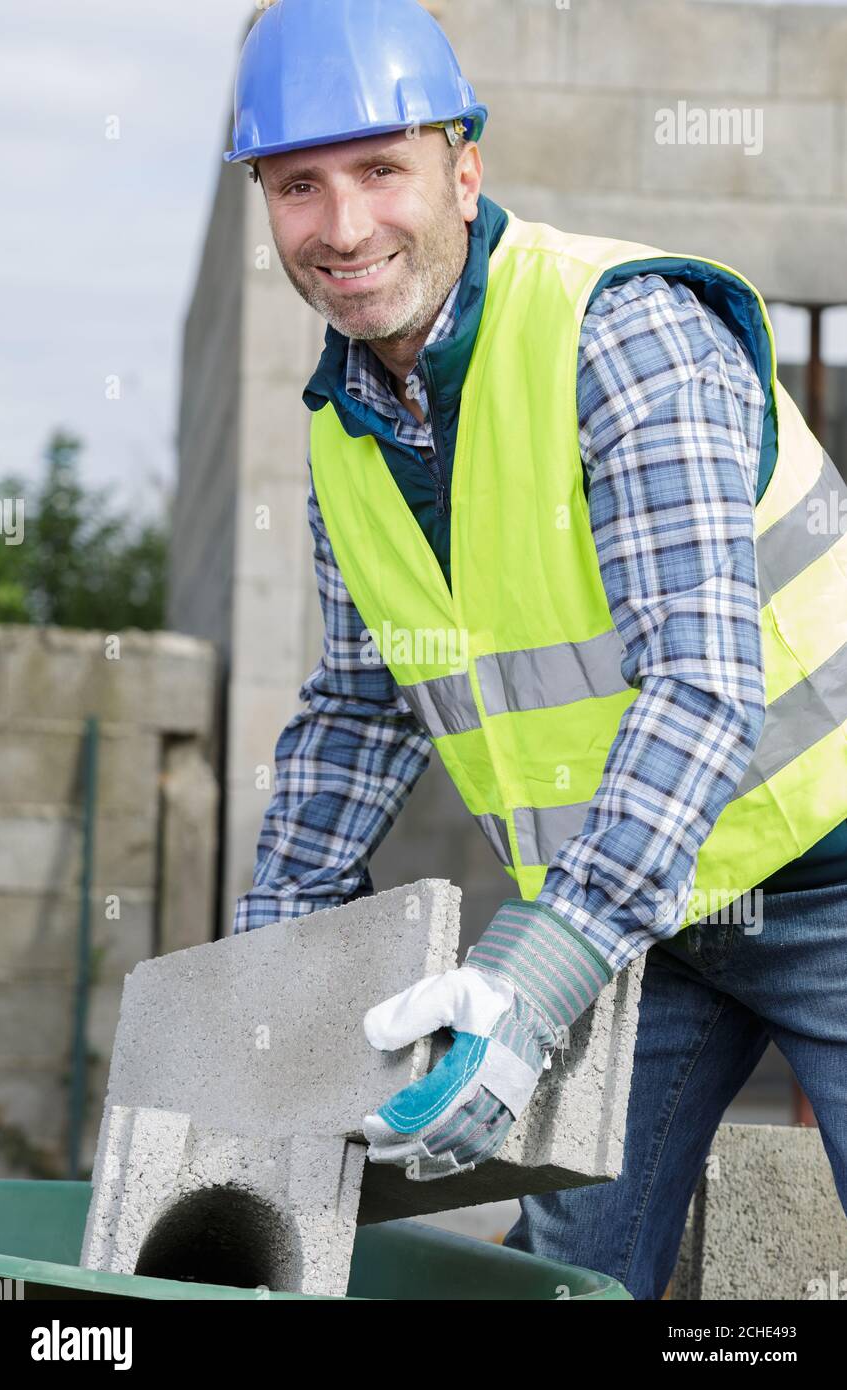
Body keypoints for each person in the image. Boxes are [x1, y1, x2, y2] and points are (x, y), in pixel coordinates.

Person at [223, 0, 847, 1298]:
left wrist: (531, 971)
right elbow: (357, 705)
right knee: (563, 1278)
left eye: (380, 170)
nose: (340, 229)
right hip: (647, 911)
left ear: (463, 170)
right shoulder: (347, 430)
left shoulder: (619, 333)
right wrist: (259, 989)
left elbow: (702, 680)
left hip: (828, 880)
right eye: (297, 186)